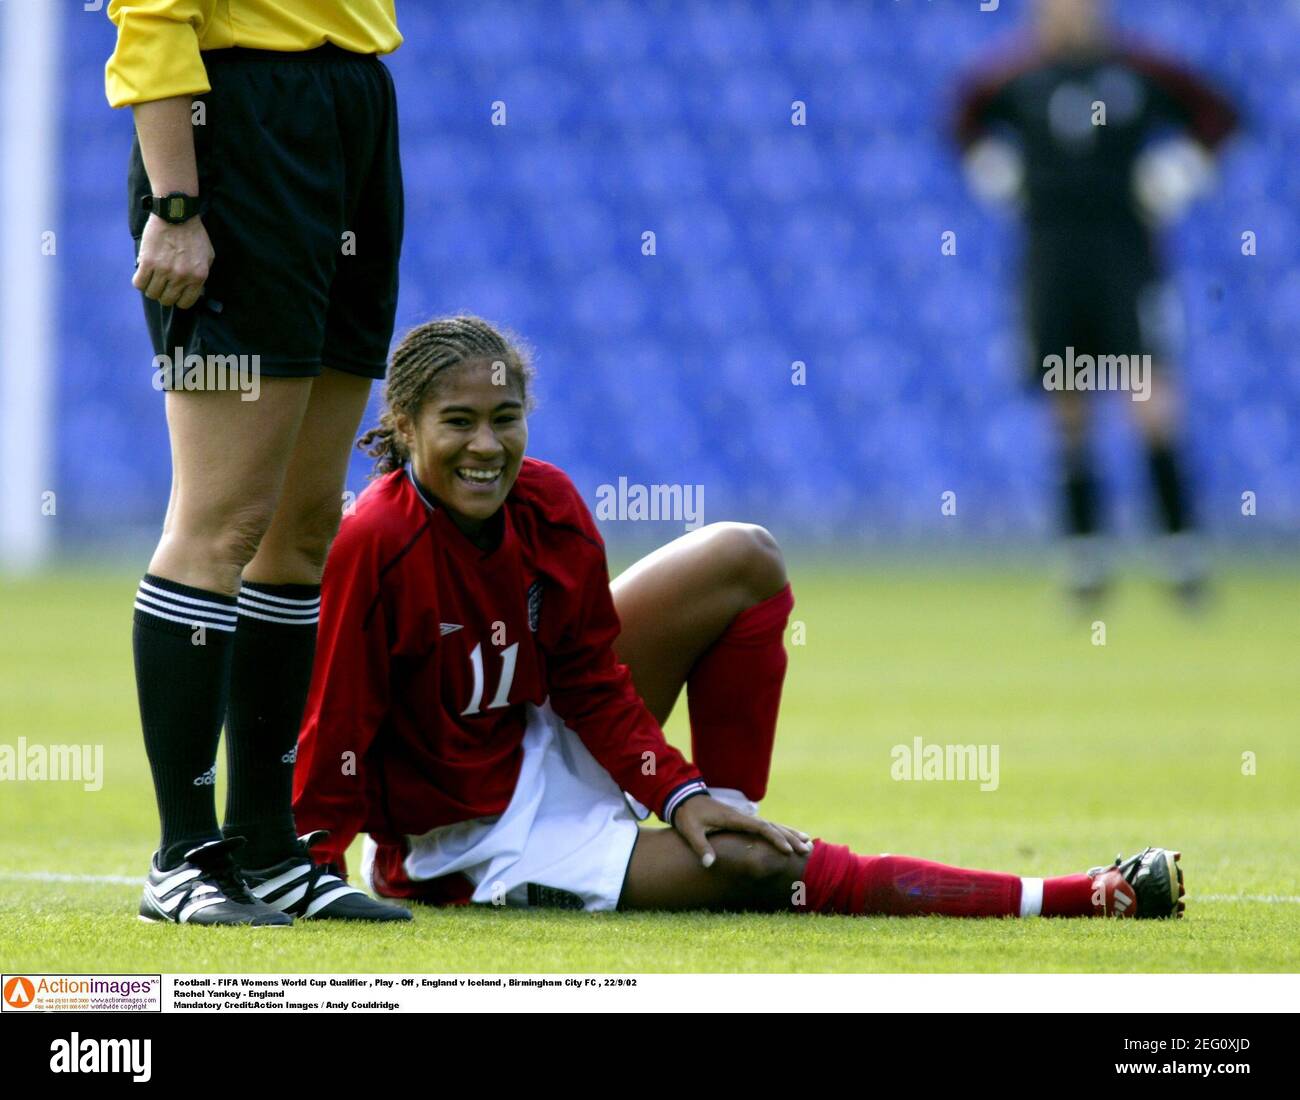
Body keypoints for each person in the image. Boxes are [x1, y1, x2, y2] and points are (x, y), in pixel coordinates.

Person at [291, 315, 1185, 920]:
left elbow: (591, 681)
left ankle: (733, 814)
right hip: (471, 839)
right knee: (766, 877)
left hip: (536, 739)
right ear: (403, 427)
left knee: (744, 556)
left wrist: (684, 797)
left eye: (505, 418)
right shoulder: (376, 542)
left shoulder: (549, 505)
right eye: (458, 423)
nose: (486, 446)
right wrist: (322, 874)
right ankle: (1083, 894)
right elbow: (339, 719)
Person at [105, 0, 410, 924]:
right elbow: (150, 18)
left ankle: (271, 849)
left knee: (306, 523)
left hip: (354, 104)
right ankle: (183, 858)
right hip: (238, 122)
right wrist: (176, 203)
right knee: (223, 521)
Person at [954, 0, 1239, 603]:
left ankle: (1179, 550)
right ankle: (1085, 555)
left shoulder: (1139, 68)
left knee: (1150, 398)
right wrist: (989, 165)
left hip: (1126, 255)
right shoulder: (1015, 73)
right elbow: (962, 114)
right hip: (1051, 257)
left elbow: (1219, 112)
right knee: (1068, 404)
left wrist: (1181, 168)